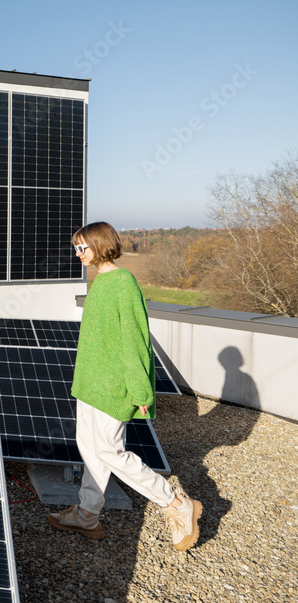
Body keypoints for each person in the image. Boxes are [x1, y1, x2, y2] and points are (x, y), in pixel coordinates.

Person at [47, 221, 202, 551]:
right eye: (76, 247)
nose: (78, 254)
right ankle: (87, 513)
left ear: (101, 245)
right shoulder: (100, 282)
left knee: (109, 451)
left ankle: (176, 505)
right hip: (89, 383)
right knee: (89, 449)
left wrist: (140, 389)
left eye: (82, 247)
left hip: (113, 385)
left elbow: (135, 339)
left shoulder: (123, 283)